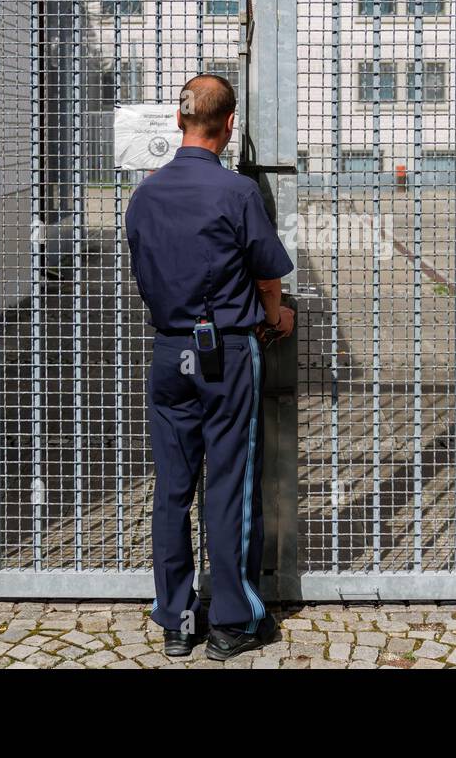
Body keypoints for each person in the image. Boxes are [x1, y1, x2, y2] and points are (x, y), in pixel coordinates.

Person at [123, 74, 296, 661]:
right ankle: (230, 619)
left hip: (171, 352)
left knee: (173, 486)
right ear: (228, 126)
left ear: (178, 121)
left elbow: (143, 268)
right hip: (225, 350)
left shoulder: (143, 195)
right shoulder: (237, 193)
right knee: (229, 483)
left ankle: (174, 618)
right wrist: (276, 315)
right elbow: (268, 273)